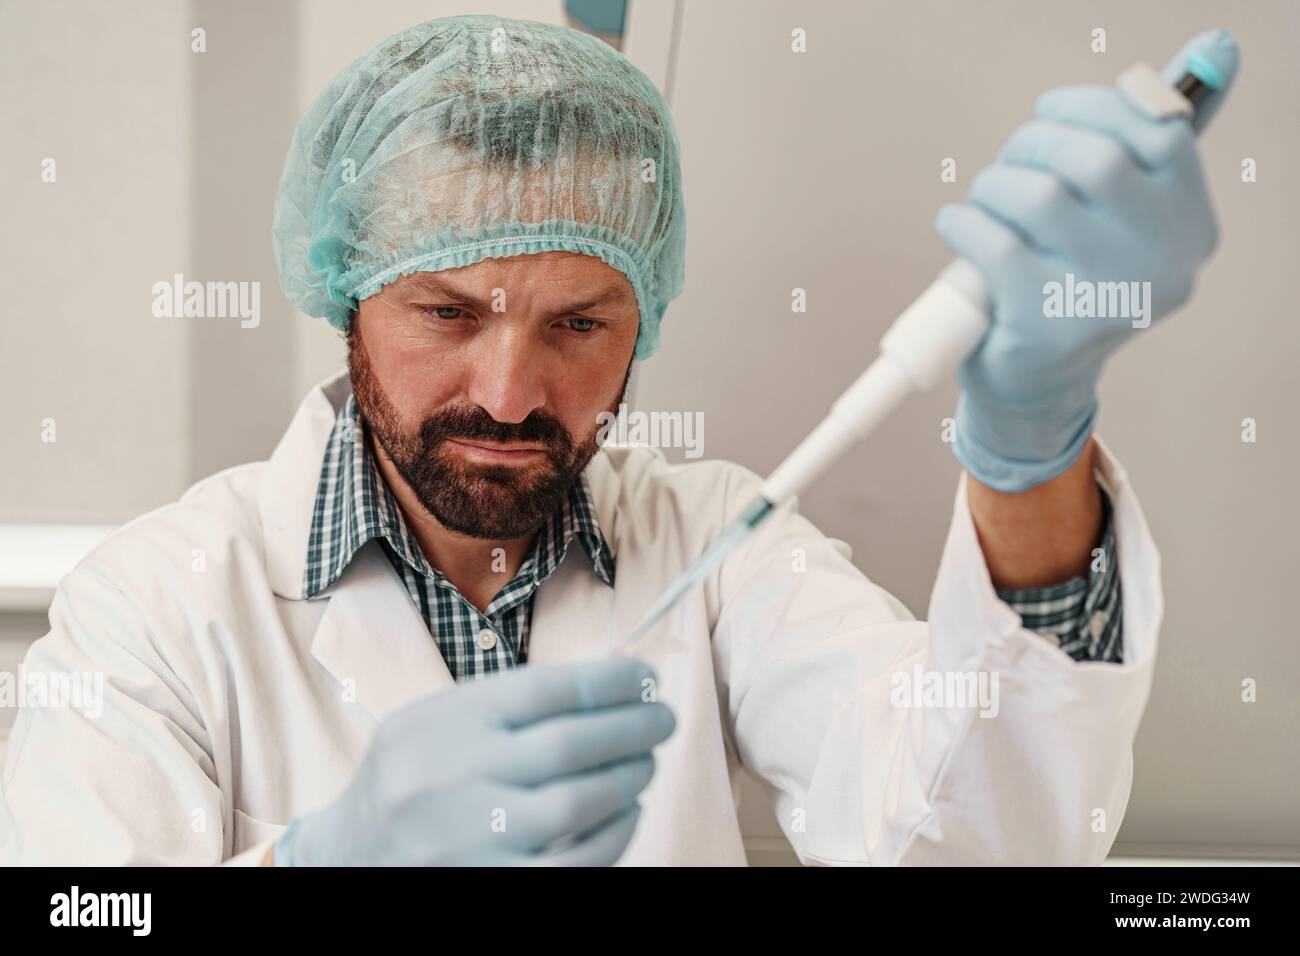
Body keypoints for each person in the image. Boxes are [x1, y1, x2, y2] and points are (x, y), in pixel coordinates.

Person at [0, 16, 1237, 866]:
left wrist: (1030, 442)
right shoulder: (155, 603)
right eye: (445, 311)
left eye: (579, 322)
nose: (508, 391)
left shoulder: (721, 545)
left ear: (645, 312)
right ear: (345, 296)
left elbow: (980, 834)